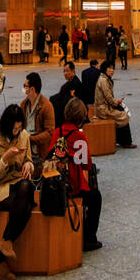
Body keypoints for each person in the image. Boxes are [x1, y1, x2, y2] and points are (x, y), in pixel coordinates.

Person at [0, 103, 35, 280]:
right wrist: (5, 160)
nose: (17, 132)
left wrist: (29, 165)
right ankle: (1, 255)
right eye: (14, 129)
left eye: (20, 128)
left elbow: (29, 160)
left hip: (18, 185)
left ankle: (2, 251)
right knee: (27, 204)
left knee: (26, 188)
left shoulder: (24, 137)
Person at [46, 96, 102, 252]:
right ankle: (89, 238)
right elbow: (86, 164)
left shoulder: (58, 132)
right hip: (74, 185)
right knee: (96, 197)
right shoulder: (79, 136)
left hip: (57, 183)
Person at [94, 59, 135, 148]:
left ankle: (121, 140)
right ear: (105, 69)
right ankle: (126, 142)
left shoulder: (104, 78)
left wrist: (116, 102)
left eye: (113, 68)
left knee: (120, 111)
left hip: (104, 107)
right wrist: (117, 102)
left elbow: (108, 98)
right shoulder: (104, 80)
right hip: (103, 110)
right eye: (110, 68)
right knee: (123, 115)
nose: (112, 70)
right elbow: (109, 98)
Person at [20, 71, 54, 173]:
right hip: (25, 148)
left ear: (32, 89)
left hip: (39, 151)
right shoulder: (24, 104)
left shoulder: (46, 106)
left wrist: (31, 139)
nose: (23, 88)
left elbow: (49, 133)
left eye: (25, 86)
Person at [50, 60, 85, 127]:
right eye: (64, 71)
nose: (65, 73)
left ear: (73, 71)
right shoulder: (67, 85)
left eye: (67, 71)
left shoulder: (76, 84)